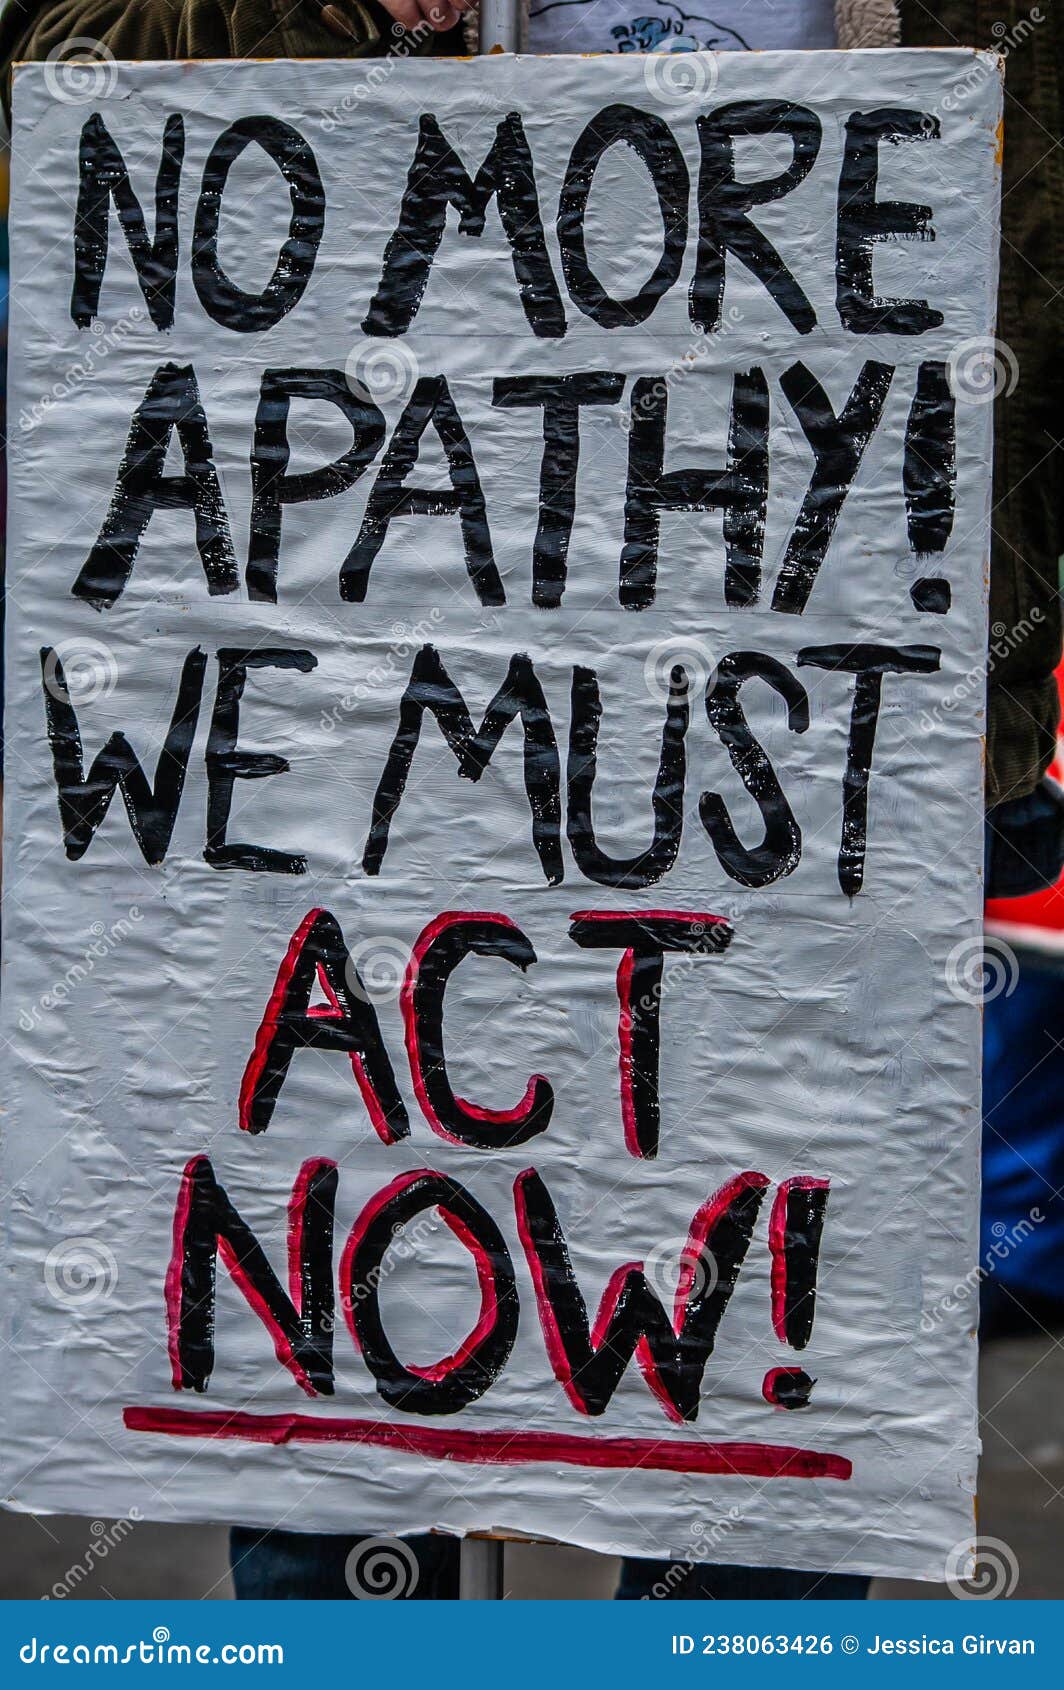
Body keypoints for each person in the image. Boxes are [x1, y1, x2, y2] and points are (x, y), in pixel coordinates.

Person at [1, 0, 1060, 1602]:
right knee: (350, 1387)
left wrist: (984, 630)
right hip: (374, 725)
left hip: (816, 741)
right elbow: (64, 74)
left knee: (758, 1407)